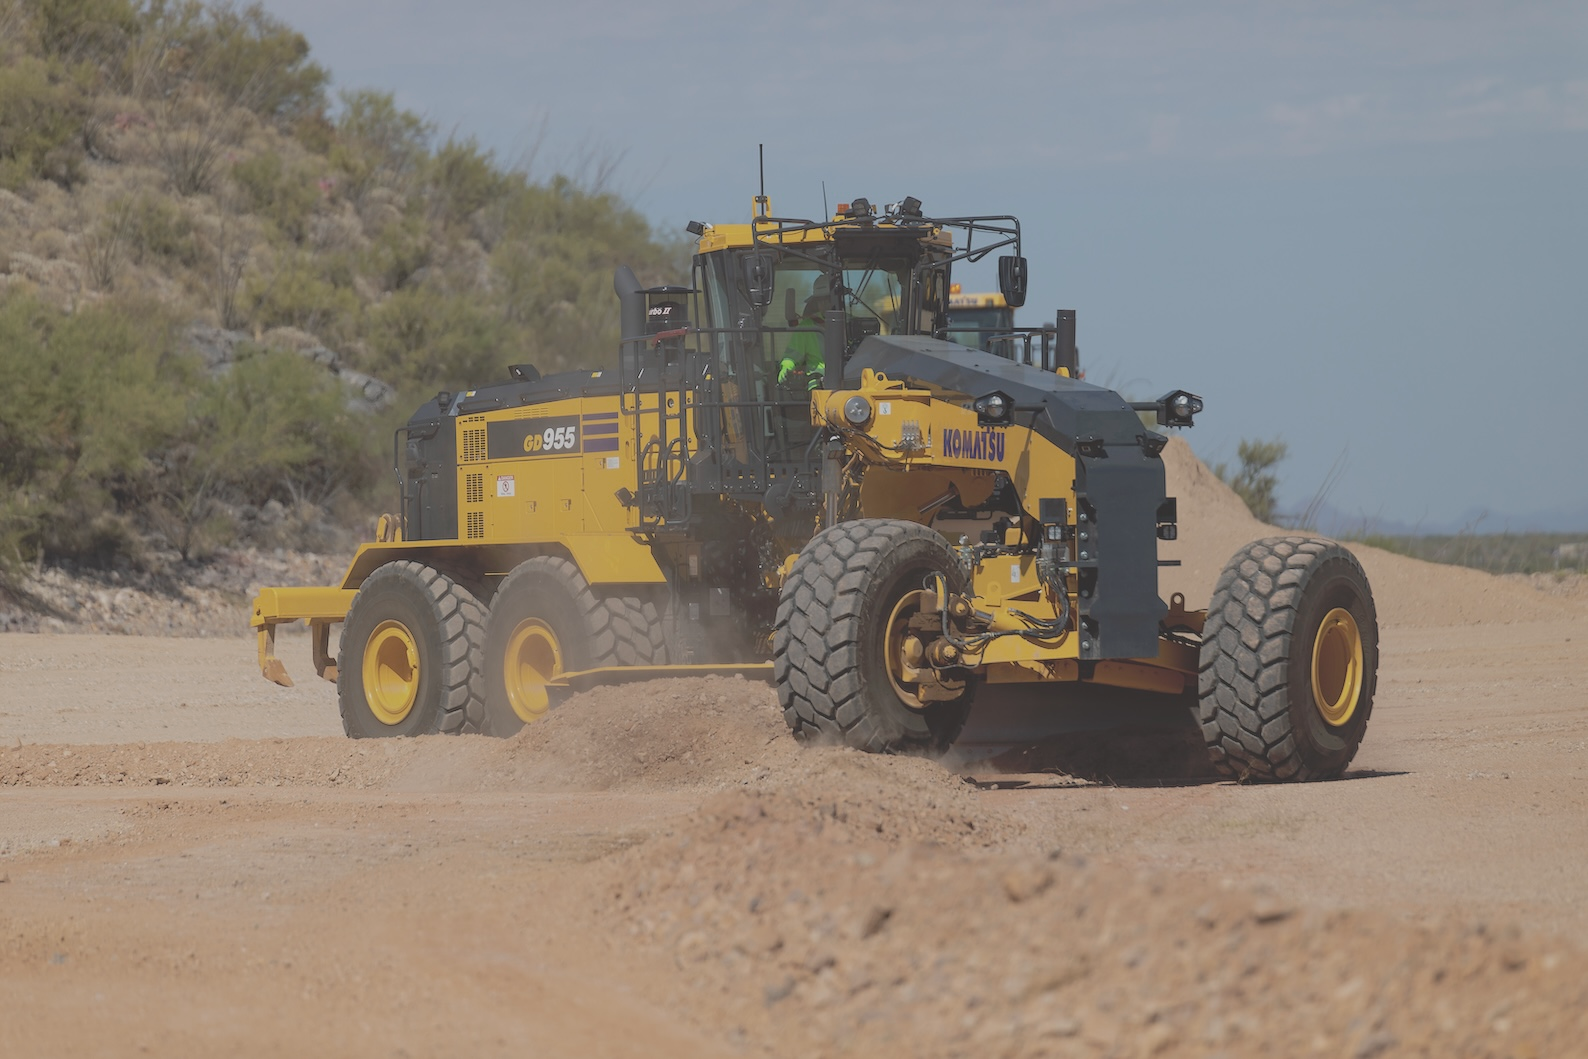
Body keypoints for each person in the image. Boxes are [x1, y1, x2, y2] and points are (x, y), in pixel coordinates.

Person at [778, 274, 830, 389]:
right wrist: (786, 367)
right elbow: (792, 355)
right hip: (818, 383)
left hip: (852, 379)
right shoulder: (806, 327)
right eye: (820, 301)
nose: (824, 304)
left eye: (828, 299)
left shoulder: (851, 323)